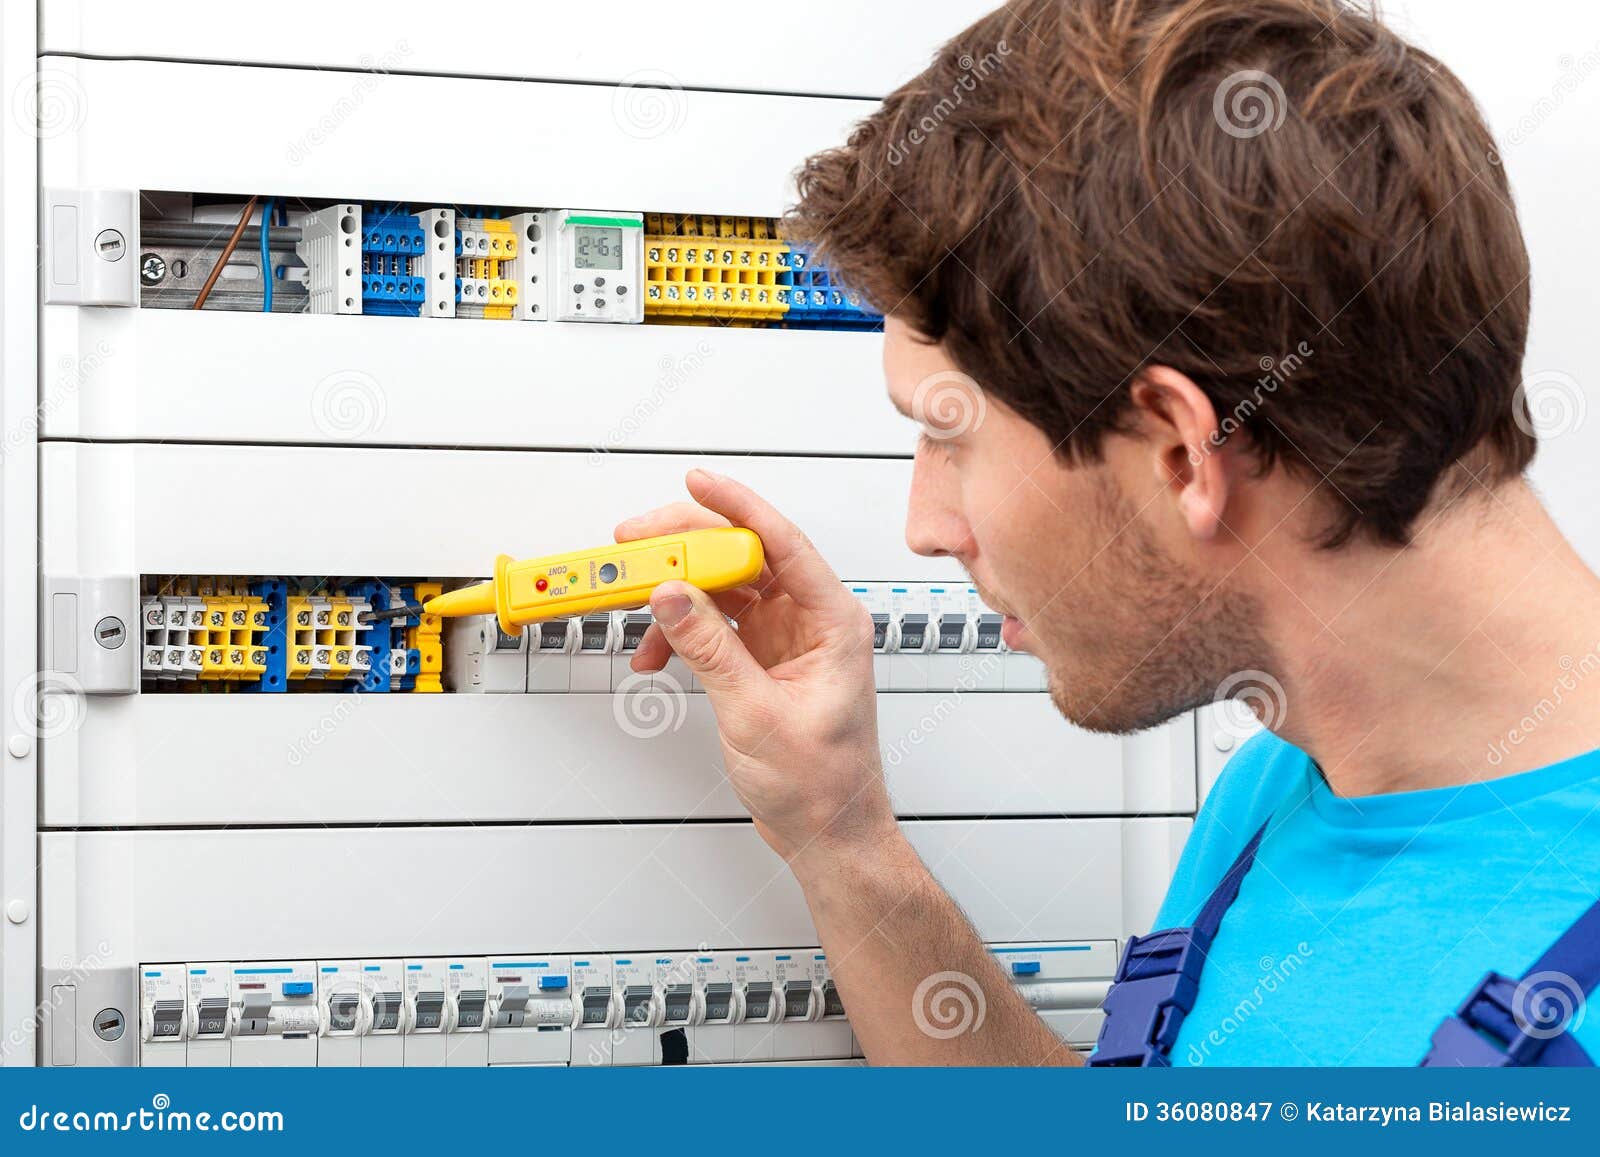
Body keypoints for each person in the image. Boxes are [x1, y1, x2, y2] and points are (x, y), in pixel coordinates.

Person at [615, 0, 1600, 1065]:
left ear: (1181, 453)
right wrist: (839, 831)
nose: (925, 528)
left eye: (951, 436)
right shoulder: (1293, 778)